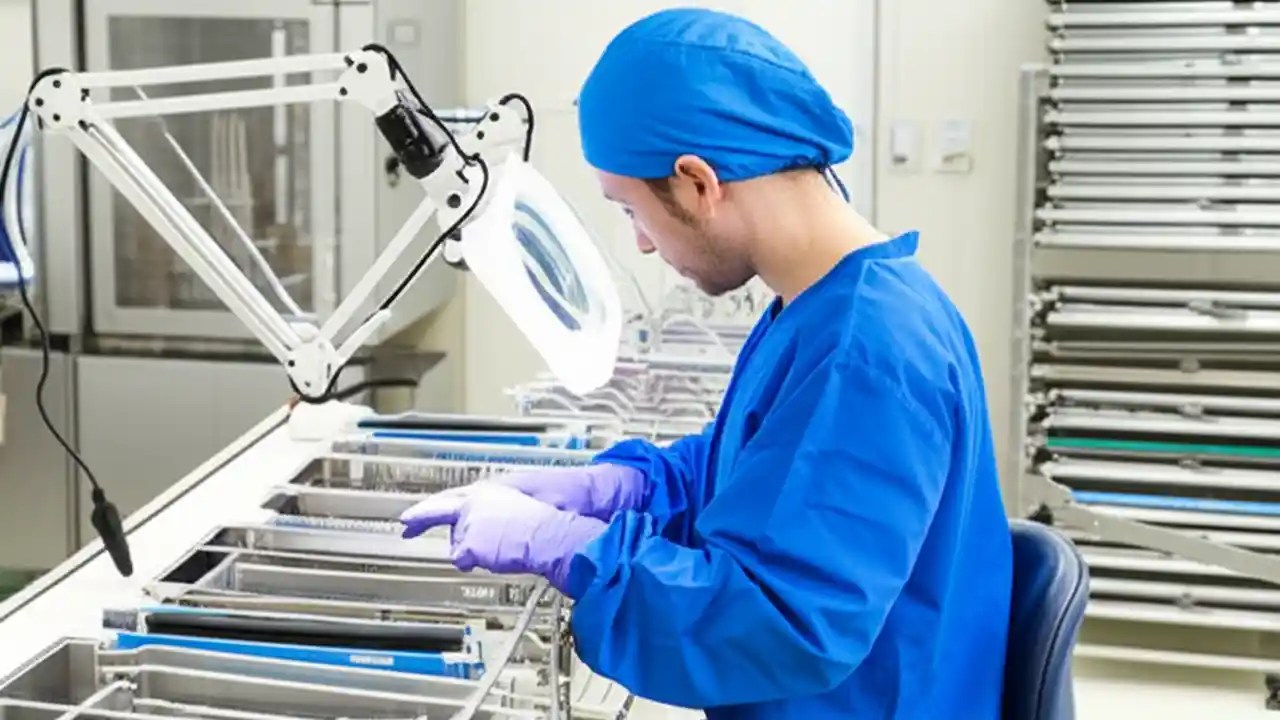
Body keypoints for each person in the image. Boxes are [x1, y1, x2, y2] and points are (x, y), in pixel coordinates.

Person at [400, 7, 1013, 719]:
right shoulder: (826, 305)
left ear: (698, 182)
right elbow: (756, 479)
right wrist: (618, 489)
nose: (643, 246)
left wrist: (574, 551)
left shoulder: (867, 349)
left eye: (631, 211)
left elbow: (780, 625)